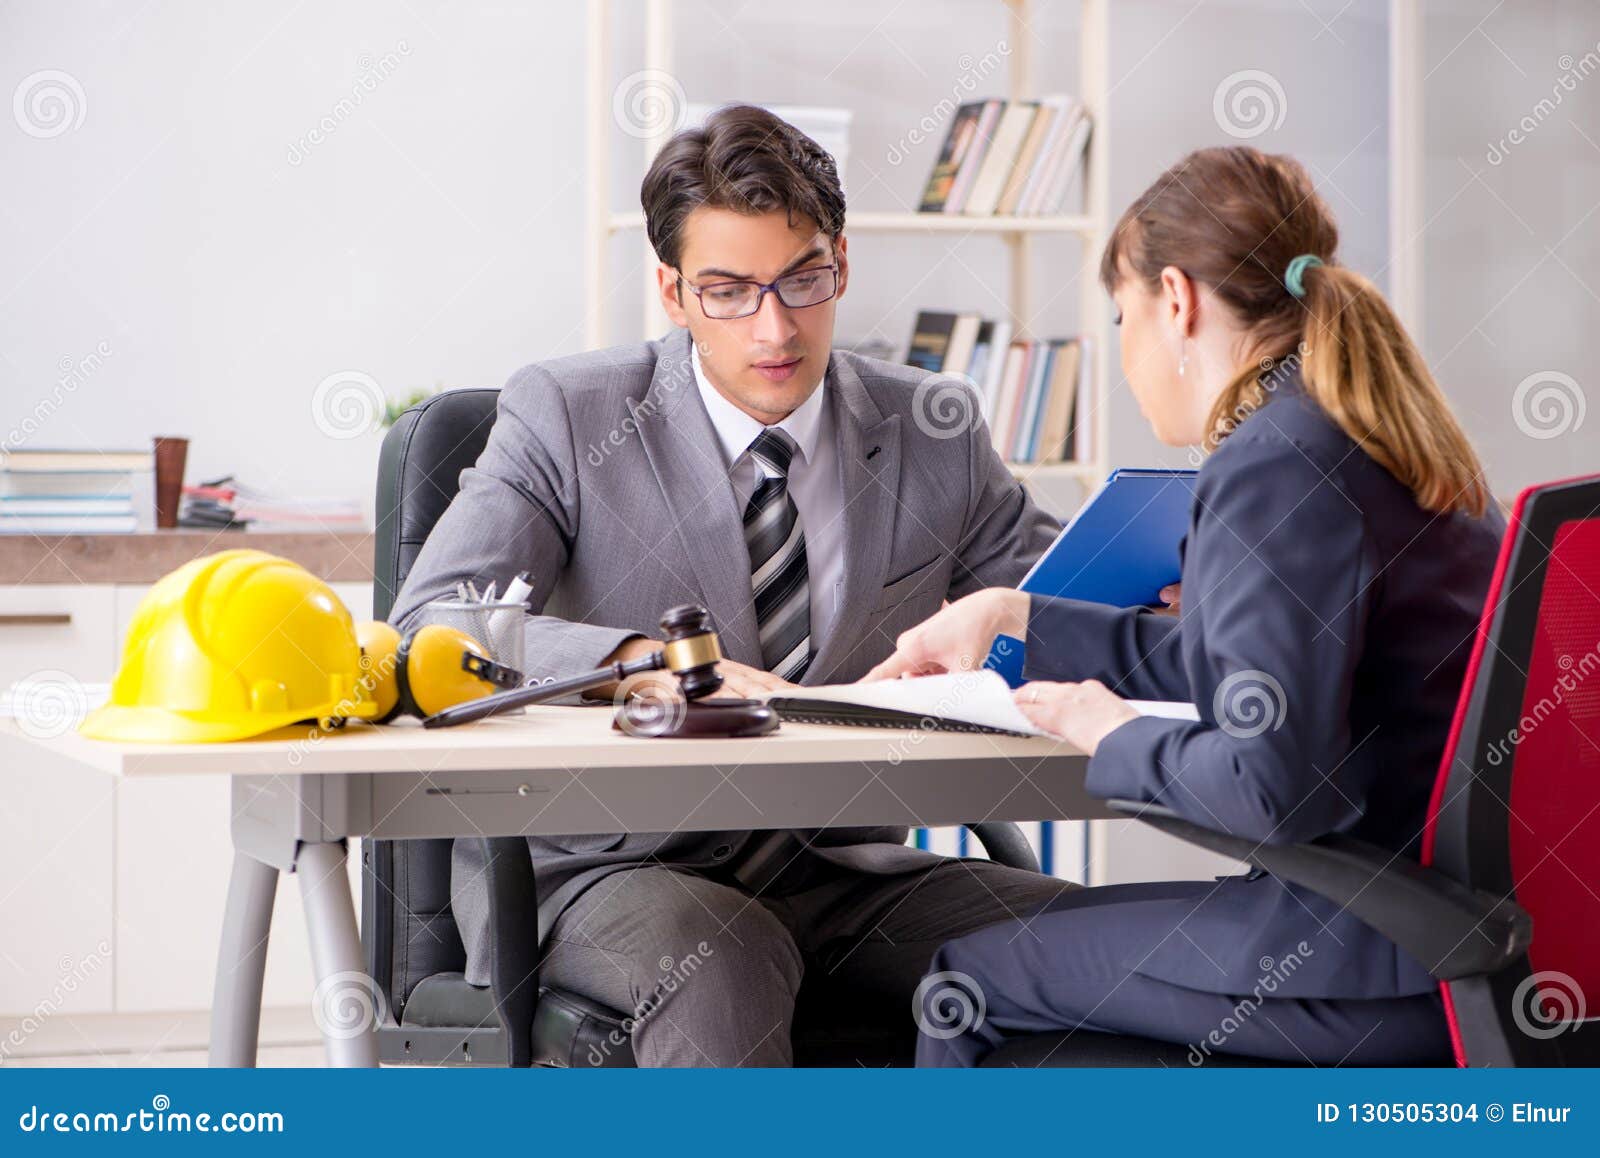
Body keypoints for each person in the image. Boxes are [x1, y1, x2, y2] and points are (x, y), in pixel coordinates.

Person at [390, 104, 1071, 1066]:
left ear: (842, 263)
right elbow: (433, 623)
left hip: (840, 863)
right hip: (610, 869)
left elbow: (1062, 604)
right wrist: (639, 664)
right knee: (728, 957)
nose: (775, 326)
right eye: (729, 292)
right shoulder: (569, 414)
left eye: (803, 279)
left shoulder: (935, 427)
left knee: (1091, 950)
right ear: (672, 292)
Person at [866, 145, 1506, 1067]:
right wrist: (1015, 616)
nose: (1126, 358)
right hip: (1468, 934)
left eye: (1121, 317)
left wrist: (1109, 731)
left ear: (1176, 300)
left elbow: (1269, 786)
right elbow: (1251, 680)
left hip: (1375, 953)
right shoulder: (1377, 434)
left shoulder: (1274, 465)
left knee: (960, 981)